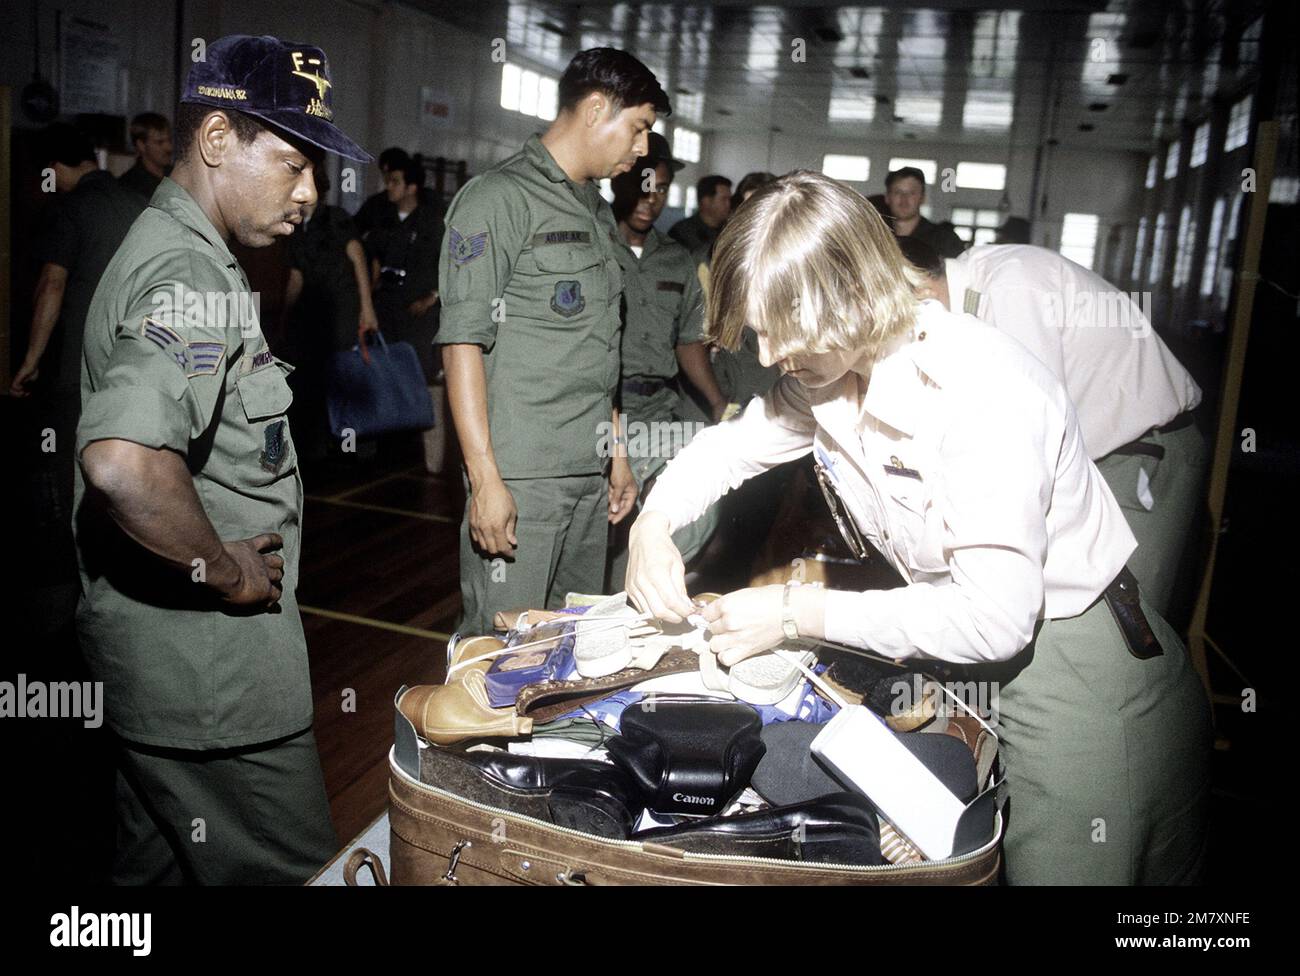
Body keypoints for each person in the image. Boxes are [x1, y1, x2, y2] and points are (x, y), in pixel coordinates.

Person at [625, 171, 1210, 885]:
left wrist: (793, 612)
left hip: (1075, 678)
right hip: (965, 662)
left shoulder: (980, 389)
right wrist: (652, 523)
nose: (770, 351)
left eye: (782, 326)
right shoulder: (831, 374)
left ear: (851, 290)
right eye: (758, 328)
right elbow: (732, 445)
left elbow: (995, 618)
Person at [74, 34, 372, 884]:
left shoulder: (190, 254)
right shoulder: (188, 273)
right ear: (214, 141)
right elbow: (123, 459)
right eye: (292, 164)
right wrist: (222, 570)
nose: (310, 193)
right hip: (217, 692)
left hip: (159, 680)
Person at [438, 47, 669, 635]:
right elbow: (462, 343)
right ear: (596, 110)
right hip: (522, 476)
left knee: (574, 649)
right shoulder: (497, 200)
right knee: (499, 650)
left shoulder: (592, 209)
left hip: (588, 474)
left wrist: (616, 451)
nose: (641, 149)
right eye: (638, 128)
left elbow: (601, 345)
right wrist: (486, 478)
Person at [898, 237, 1205, 620]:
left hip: (1144, 454)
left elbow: (1024, 428)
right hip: (1104, 454)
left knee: (1128, 622)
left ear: (922, 290)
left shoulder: (1010, 286)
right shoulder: (976, 285)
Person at [12, 124, 146, 620]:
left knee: (72, 480)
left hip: (78, 373)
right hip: (133, 368)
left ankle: (76, 597)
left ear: (58, 168)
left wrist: (29, 362)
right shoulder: (135, 205)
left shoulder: (68, 210)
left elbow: (51, 284)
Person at [606, 132, 725, 589]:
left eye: (659, 190)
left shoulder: (676, 260)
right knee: (603, 523)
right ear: (619, 181)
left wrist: (717, 401)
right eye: (641, 185)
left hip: (658, 410)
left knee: (695, 512)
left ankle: (624, 600)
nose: (649, 200)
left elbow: (688, 342)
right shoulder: (593, 247)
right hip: (600, 411)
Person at [281, 166, 379, 463]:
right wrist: (284, 315)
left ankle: (360, 447)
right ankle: (319, 446)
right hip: (312, 315)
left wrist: (367, 306)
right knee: (313, 379)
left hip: (342, 310)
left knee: (346, 376)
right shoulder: (295, 227)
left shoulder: (336, 218)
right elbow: (296, 275)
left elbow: (358, 258)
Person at [369, 154, 444, 382]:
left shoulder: (432, 223)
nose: (388, 187)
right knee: (385, 368)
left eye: (395, 182)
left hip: (417, 311)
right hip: (387, 307)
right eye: (388, 181)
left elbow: (449, 264)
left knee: (415, 372)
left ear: (411, 188)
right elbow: (374, 258)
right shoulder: (383, 219)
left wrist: (433, 297)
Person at [884, 166, 964, 258]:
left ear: (923, 198)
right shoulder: (877, 237)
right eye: (898, 192)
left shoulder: (945, 240)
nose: (904, 199)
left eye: (911, 193)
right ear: (887, 197)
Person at [353, 145, 409, 241]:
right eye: (384, 172)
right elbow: (353, 231)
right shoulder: (375, 204)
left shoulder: (427, 202)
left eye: (391, 171)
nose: (387, 177)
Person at [117, 112, 173, 202]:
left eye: (169, 140)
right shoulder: (130, 185)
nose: (169, 147)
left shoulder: (175, 175)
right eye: (160, 142)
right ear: (141, 145)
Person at [669, 174, 731, 253]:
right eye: (723, 199)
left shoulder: (728, 232)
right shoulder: (682, 233)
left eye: (729, 199)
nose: (728, 204)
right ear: (706, 201)